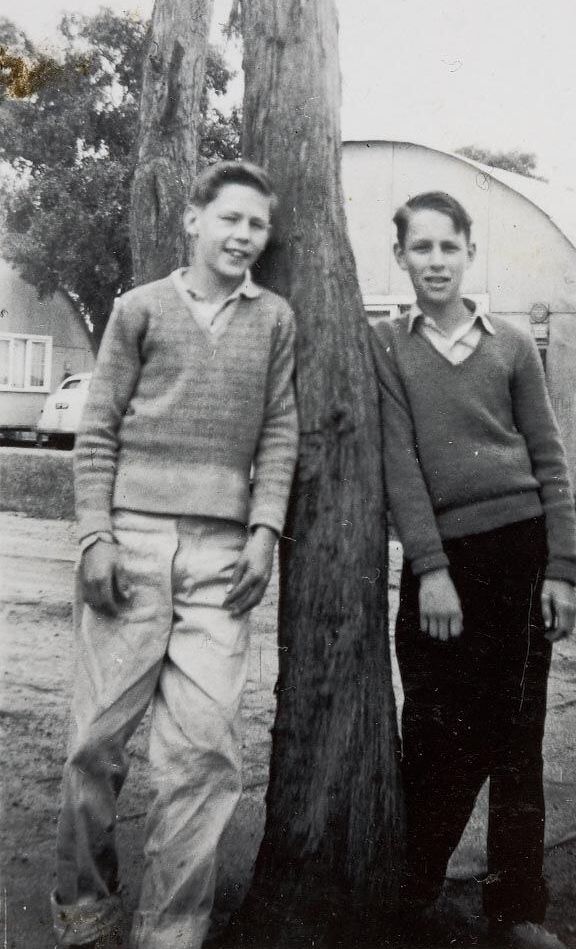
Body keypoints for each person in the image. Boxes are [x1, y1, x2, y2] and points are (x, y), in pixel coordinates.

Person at [52, 161, 299, 949]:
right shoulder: (140, 309)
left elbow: (280, 432)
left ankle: (170, 932)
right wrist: (95, 537)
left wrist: (265, 530)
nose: (243, 236)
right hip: (130, 543)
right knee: (94, 741)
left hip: (223, 558)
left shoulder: (274, 321)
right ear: (193, 220)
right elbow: (95, 433)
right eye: (229, 219)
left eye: (256, 225)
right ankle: (84, 904)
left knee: (203, 755)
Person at [372, 190, 576, 949]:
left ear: (468, 253)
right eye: (419, 247)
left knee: (519, 736)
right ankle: (412, 884)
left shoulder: (512, 344)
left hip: (521, 551)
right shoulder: (386, 346)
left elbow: (549, 459)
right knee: (432, 729)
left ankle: (516, 906)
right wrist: (429, 568)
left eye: (447, 247)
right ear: (400, 257)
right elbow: (399, 464)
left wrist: (562, 568)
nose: (434, 261)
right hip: (445, 562)